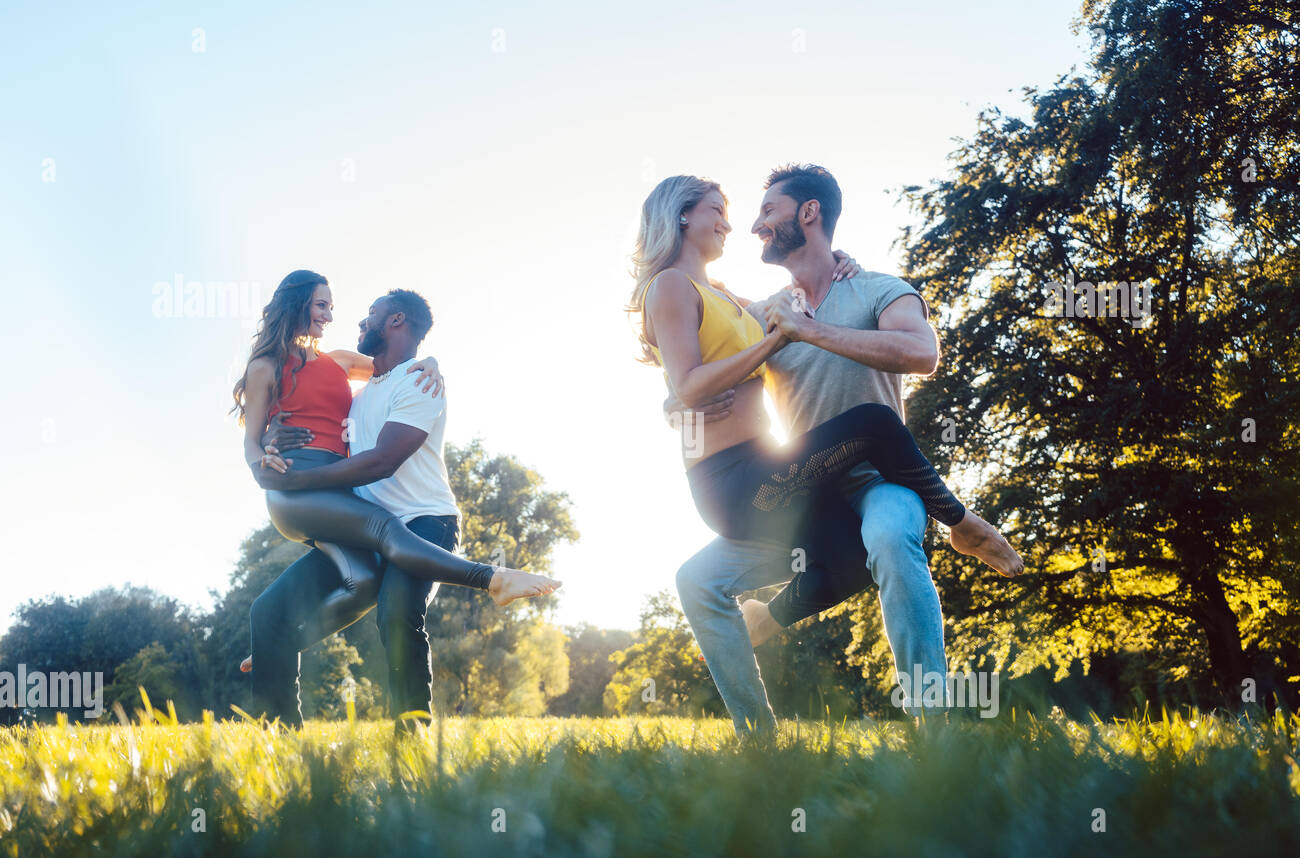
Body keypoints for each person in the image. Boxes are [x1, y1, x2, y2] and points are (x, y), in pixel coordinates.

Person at [633, 167, 1023, 736]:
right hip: (806, 488)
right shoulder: (766, 308)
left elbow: (921, 352)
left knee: (886, 537)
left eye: (769, 211)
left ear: (808, 214)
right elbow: (697, 356)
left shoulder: (875, 288)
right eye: (743, 211)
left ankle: (934, 725)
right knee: (699, 581)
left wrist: (810, 331)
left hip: (884, 478)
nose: (753, 224)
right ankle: (761, 733)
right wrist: (676, 405)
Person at [232, 271, 559, 724]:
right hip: (331, 500)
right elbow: (257, 436)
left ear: (395, 320)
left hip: (415, 517)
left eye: (365, 315)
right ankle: (492, 580)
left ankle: (386, 731)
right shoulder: (294, 373)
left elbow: (388, 424)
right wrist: (266, 458)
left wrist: (433, 362)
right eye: (322, 305)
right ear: (297, 304)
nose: (340, 317)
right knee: (377, 572)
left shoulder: (382, 376)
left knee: (371, 595)